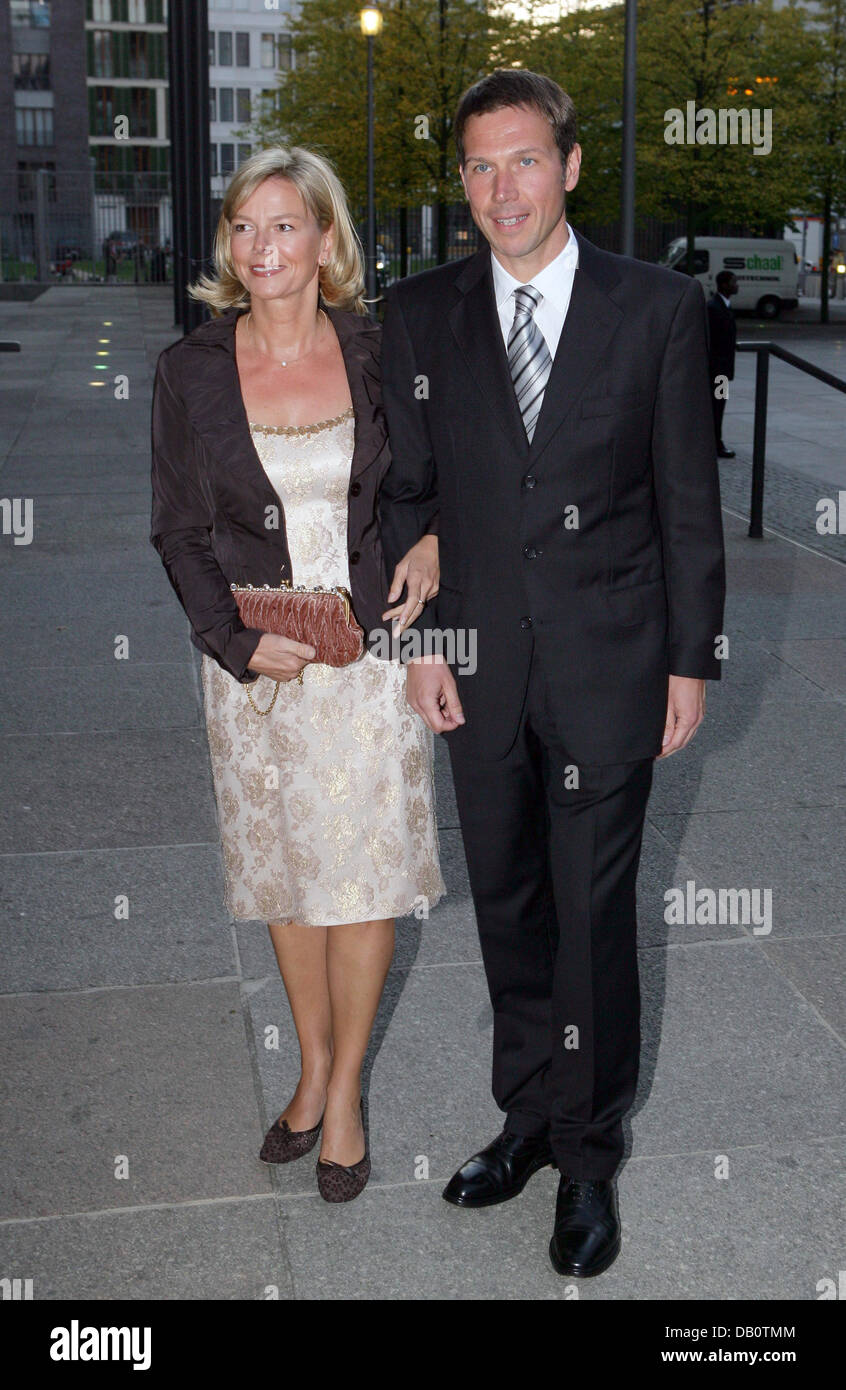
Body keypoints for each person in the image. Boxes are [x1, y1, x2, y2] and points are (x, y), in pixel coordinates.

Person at [379, 70, 725, 1276]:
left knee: (591, 917)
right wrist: (422, 644)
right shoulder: (420, 314)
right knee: (514, 905)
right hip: (475, 669)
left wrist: (692, 660)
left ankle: (588, 1158)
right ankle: (524, 1116)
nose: (500, 188)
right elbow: (407, 496)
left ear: (570, 166)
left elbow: (689, 502)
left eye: (523, 160)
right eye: (478, 166)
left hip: (611, 664)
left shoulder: (659, 308)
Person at [150, 146, 445, 1203]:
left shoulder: (378, 349)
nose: (260, 247)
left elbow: (445, 469)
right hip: (258, 670)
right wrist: (233, 641)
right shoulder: (189, 369)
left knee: (360, 878)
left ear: (326, 240)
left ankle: (349, 1089)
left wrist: (436, 545)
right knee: (286, 879)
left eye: (283, 225)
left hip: (364, 663)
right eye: (243, 226)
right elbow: (178, 531)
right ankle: (311, 1067)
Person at [707, 269, 739, 459]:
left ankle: (715, 442)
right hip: (718, 372)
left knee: (718, 405)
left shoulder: (722, 306)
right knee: (716, 407)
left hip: (722, 371)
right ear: (725, 285)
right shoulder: (714, 308)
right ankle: (716, 444)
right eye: (734, 282)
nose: (737, 285)